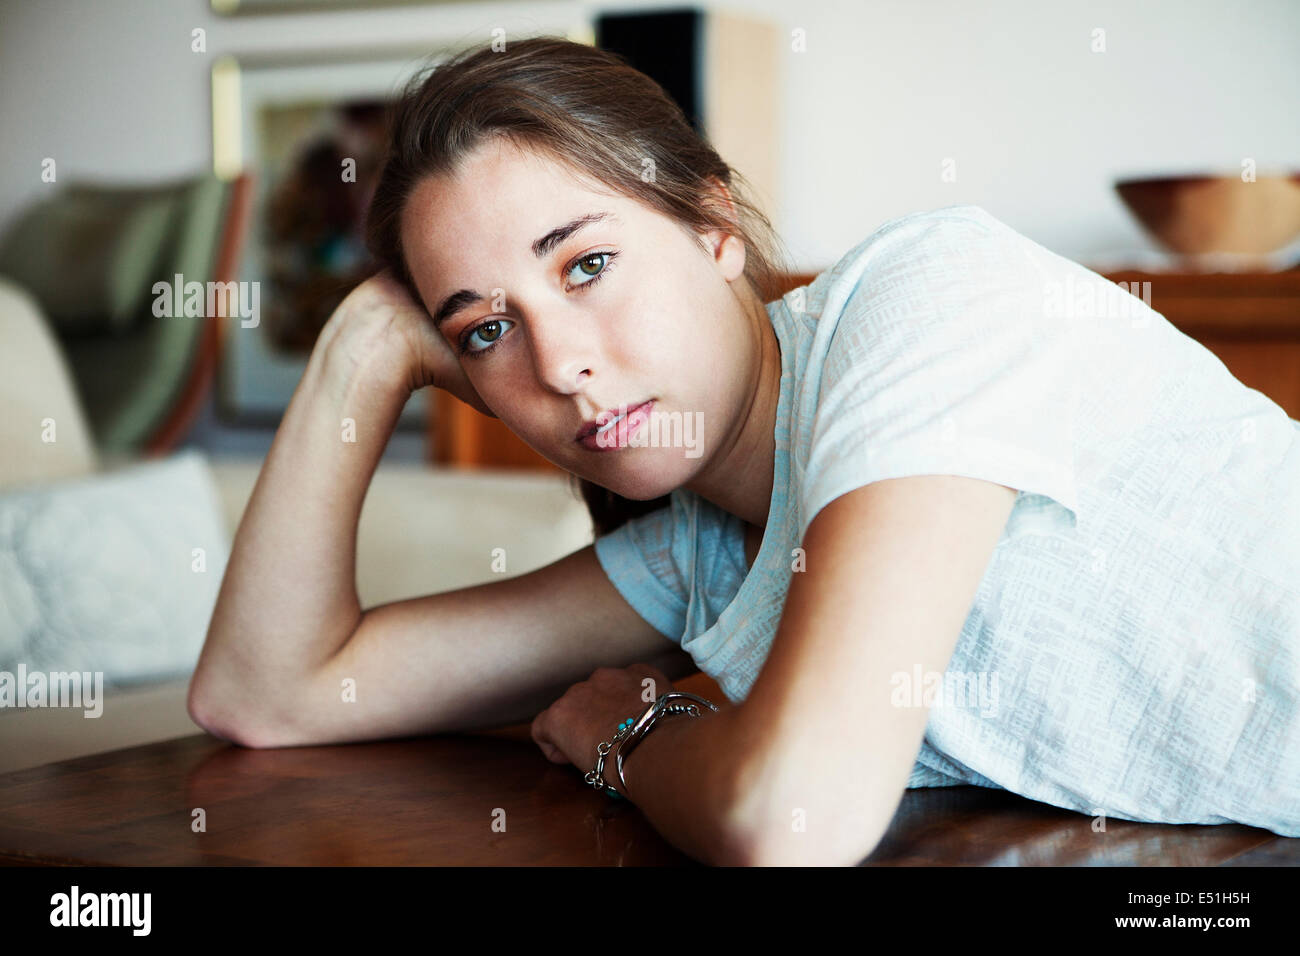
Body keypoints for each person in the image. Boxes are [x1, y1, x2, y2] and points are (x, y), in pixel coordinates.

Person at [189, 36, 1300, 866]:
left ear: (713, 223)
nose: (562, 363)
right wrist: (361, 350)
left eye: (584, 264)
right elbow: (268, 692)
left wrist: (626, 728)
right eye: (485, 328)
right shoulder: (689, 556)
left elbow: (792, 815)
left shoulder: (925, 299)